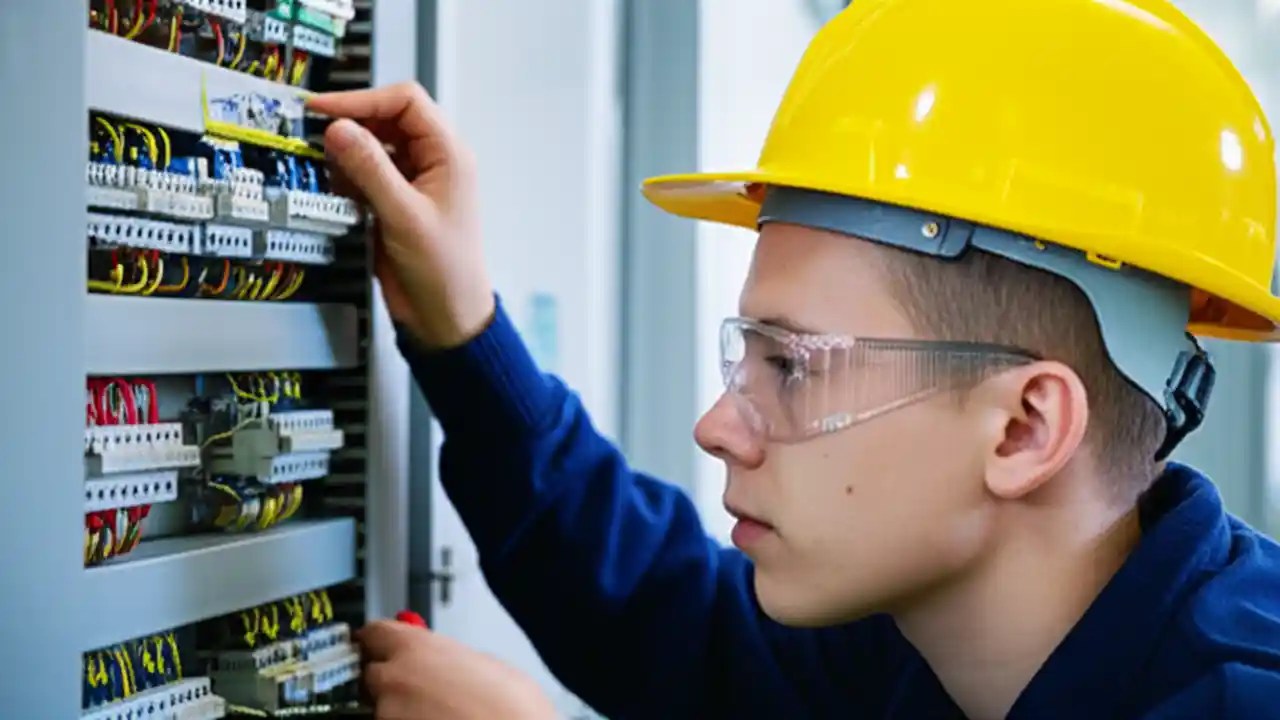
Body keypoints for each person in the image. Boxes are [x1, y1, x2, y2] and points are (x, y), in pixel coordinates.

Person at [311, 0, 1280, 717]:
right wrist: (463, 333)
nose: (716, 425)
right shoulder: (927, 643)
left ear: (1025, 427)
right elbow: (670, 622)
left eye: (794, 366)